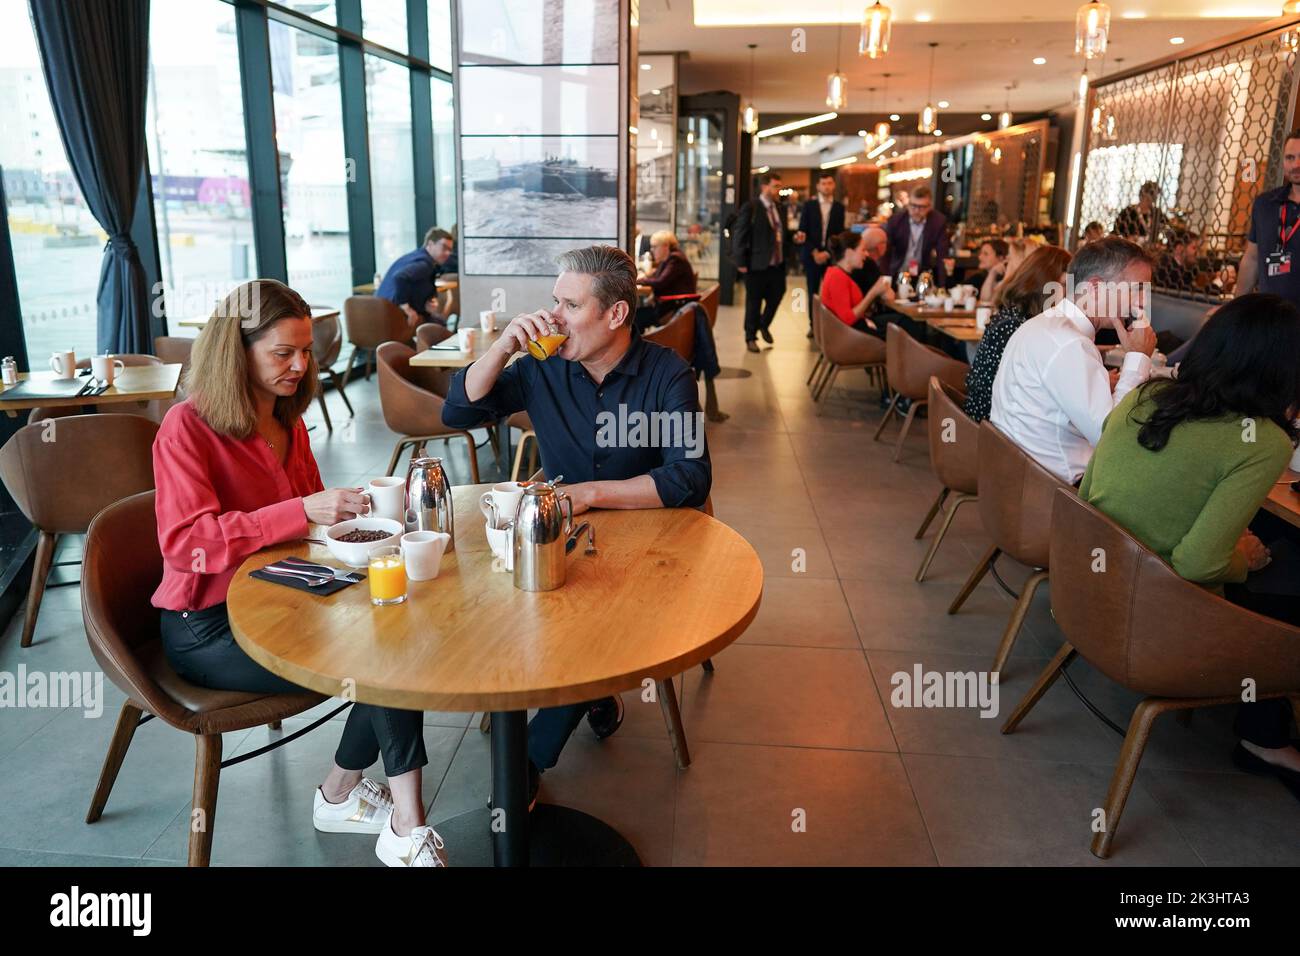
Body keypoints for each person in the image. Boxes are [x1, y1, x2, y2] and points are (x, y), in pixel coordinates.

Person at [152, 279, 443, 867]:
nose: (299, 364)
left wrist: (355, 517)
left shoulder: (288, 422)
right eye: (282, 353)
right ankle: (405, 823)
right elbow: (187, 545)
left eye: (305, 351)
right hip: (208, 625)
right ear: (237, 350)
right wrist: (298, 514)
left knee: (398, 636)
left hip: (284, 592)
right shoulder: (186, 428)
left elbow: (310, 527)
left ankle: (339, 794)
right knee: (377, 658)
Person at [441, 245, 712, 806]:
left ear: (616, 314)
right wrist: (504, 345)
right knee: (507, 600)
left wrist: (586, 495)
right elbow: (458, 412)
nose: (554, 315)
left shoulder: (666, 373)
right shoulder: (544, 367)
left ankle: (526, 767)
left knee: (591, 620)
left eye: (570, 304)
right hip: (559, 538)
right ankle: (593, 691)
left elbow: (690, 476)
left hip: (648, 543)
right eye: (553, 301)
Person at [1080, 293, 1300, 798]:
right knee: (1285, 566)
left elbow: (1090, 492)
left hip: (1089, 591)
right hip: (1158, 622)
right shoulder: (1264, 442)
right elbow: (1199, 564)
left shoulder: (1144, 395)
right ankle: (1264, 739)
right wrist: (1242, 558)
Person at [989, 236, 1157, 485]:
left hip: (1012, 480)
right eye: (1137, 289)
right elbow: (1112, 437)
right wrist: (1138, 357)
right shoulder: (1069, 343)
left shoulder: (1046, 324)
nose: (1143, 302)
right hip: (1055, 495)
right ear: (1096, 288)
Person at [963, 244, 1072, 423]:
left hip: (986, 417)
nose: (1069, 295)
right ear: (1046, 282)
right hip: (992, 425)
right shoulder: (1018, 325)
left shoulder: (1014, 315)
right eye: (1064, 285)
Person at [1235, 129, 1300, 306]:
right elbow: (1252, 259)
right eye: (1290, 158)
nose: (1296, 164)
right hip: (1269, 316)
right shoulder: (1265, 204)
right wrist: (1236, 308)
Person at [731, 171, 789, 352]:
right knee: (753, 302)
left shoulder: (780, 208)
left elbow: (781, 234)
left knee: (778, 294)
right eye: (775, 186)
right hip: (756, 264)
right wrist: (740, 261)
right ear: (764, 187)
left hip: (777, 264)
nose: (778, 190)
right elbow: (740, 234)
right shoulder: (751, 207)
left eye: (779, 186)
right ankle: (750, 337)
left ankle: (763, 324)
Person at [795, 171, 847, 337]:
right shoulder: (809, 206)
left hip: (831, 256)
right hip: (812, 256)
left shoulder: (839, 208)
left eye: (829, 183)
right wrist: (815, 252)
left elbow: (839, 234)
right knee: (812, 291)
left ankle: (830, 324)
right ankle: (814, 324)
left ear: (834, 185)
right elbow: (803, 230)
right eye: (823, 183)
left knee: (832, 291)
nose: (826, 186)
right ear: (818, 186)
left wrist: (827, 253)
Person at [376, 227, 455, 331]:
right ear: (430, 244)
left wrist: (425, 303)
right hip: (394, 315)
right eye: (444, 248)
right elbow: (400, 277)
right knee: (440, 327)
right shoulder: (424, 264)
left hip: (379, 313)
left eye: (450, 250)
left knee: (437, 321)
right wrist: (406, 308)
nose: (448, 253)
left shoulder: (413, 257)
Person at [818, 230, 894, 334]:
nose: (866, 254)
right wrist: (873, 293)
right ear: (849, 252)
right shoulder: (837, 277)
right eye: (862, 250)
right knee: (903, 325)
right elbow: (848, 319)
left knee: (900, 321)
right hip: (850, 333)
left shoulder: (837, 273)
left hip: (851, 329)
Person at [884, 184, 949, 285]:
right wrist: (885, 279)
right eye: (913, 206)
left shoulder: (938, 222)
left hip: (922, 276)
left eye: (922, 207)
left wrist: (942, 287)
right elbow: (885, 252)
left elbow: (942, 255)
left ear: (929, 207)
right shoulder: (896, 221)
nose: (916, 211)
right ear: (908, 204)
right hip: (898, 273)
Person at [634, 230, 697, 331]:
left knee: (635, 317)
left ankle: (639, 346)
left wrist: (639, 281)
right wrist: (644, 278)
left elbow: (660, 282)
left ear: (665, 246)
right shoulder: (670, 258)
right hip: (670, 305)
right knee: (636, 315)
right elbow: (656, 276)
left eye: (655, 246)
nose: (652, 250)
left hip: (673, 308)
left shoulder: (675, 259)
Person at [967, 239, 1009, 303]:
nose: (980, 257)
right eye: (980, 253)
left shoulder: (1007, 279)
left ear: (1001, 257)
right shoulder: (977, 278)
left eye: (985, 254)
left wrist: (992, 273)